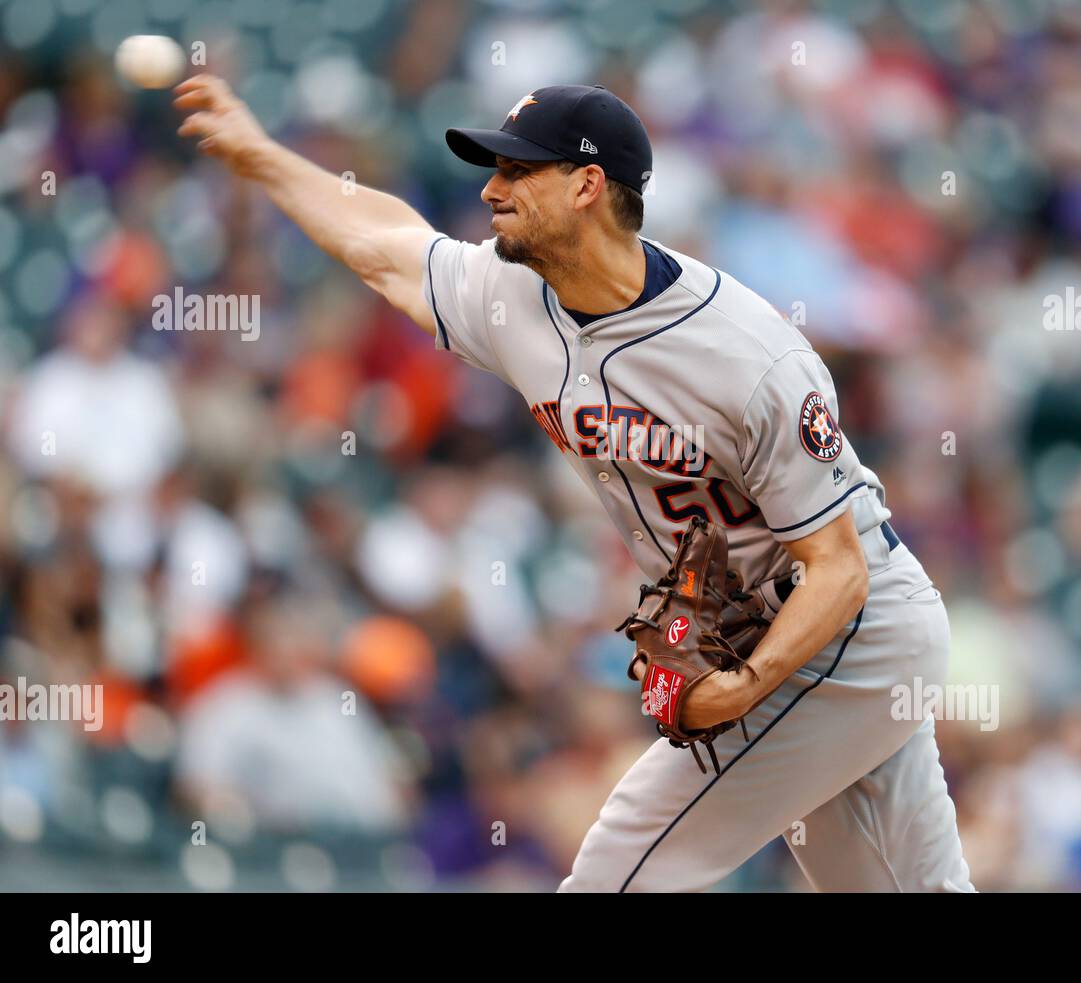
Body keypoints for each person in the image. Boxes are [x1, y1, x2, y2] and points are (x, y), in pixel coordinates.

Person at [173, 75, 974, 892]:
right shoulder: (511, 296)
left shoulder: (751, 356)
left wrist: (744, 685)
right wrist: (264, 158)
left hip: (847, 636)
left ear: (588, 185)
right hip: (782, 631)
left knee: (614, 874)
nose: (491, 189)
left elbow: (838, 567)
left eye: (519, 171)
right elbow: (381, 244)